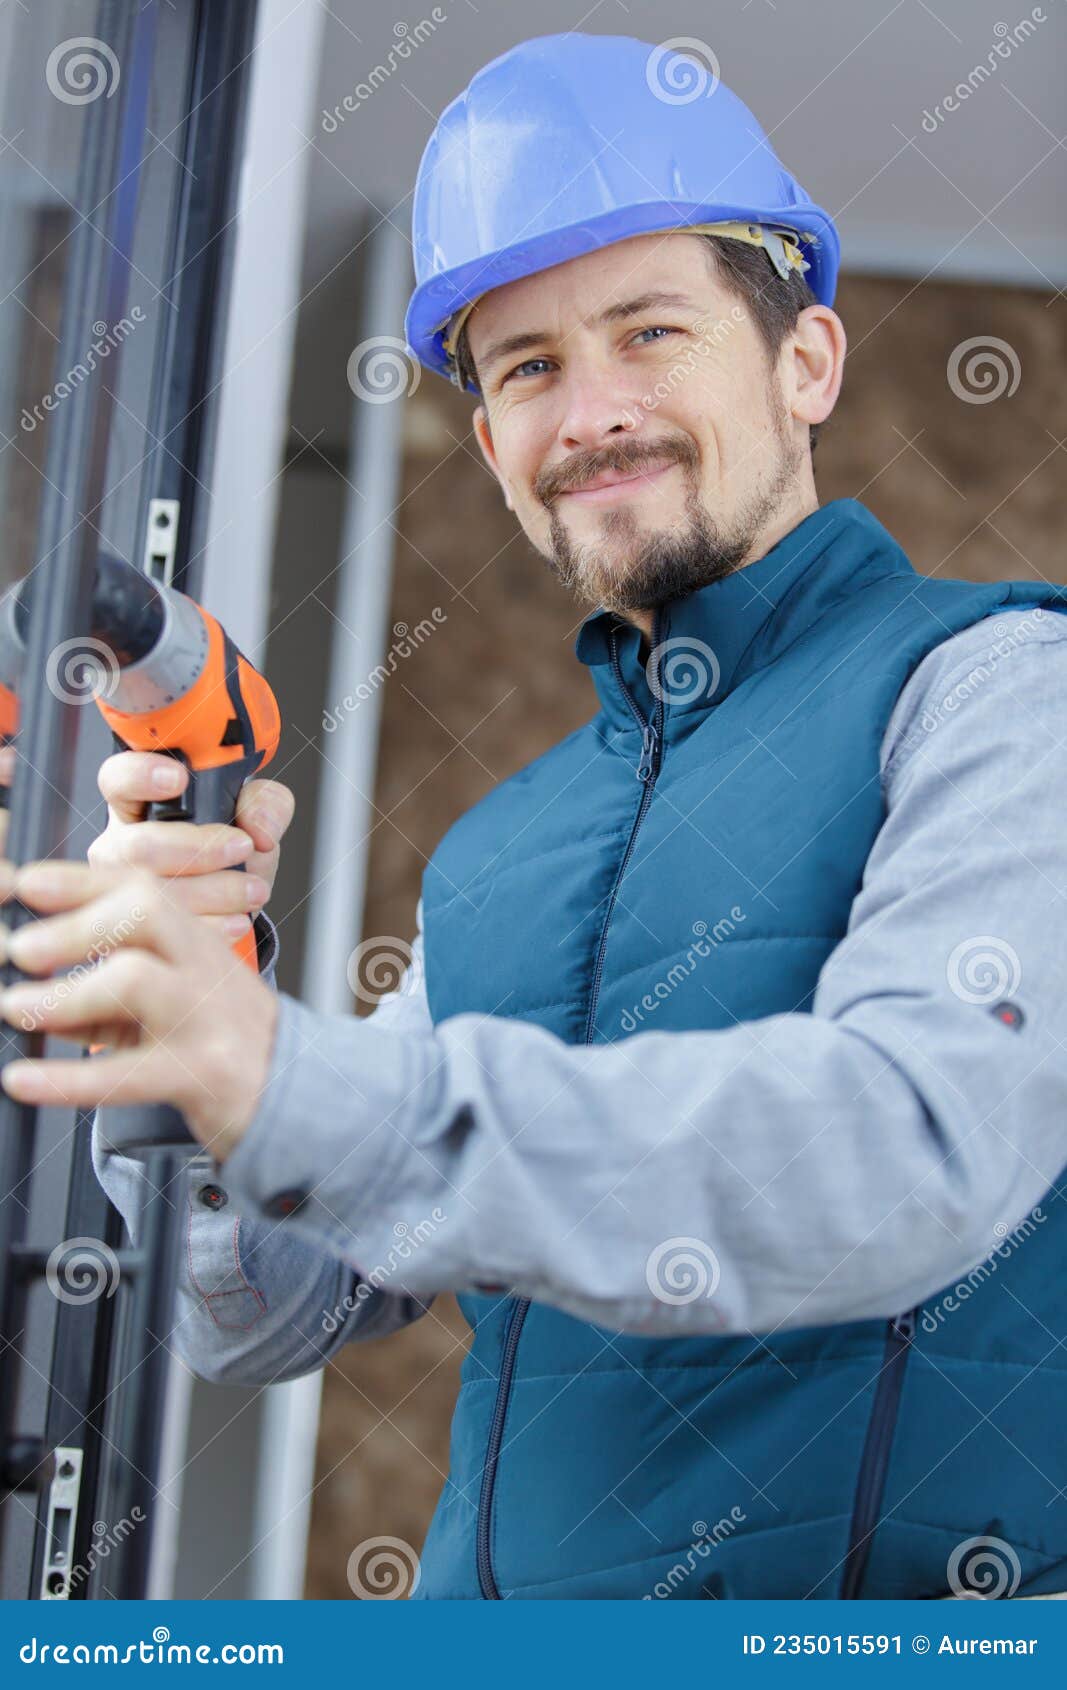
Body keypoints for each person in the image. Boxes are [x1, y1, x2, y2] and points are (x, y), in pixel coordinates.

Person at [2, 31, 1066, 1601]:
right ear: (492, 441)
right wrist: (199, 1057)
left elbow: (910, 1150)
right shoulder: (500, 851)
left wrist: (296, 1075)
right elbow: (273, 1315)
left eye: (650, 333)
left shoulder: (997, 690)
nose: (594, 413)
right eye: (529, 368)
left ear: (806, 362)